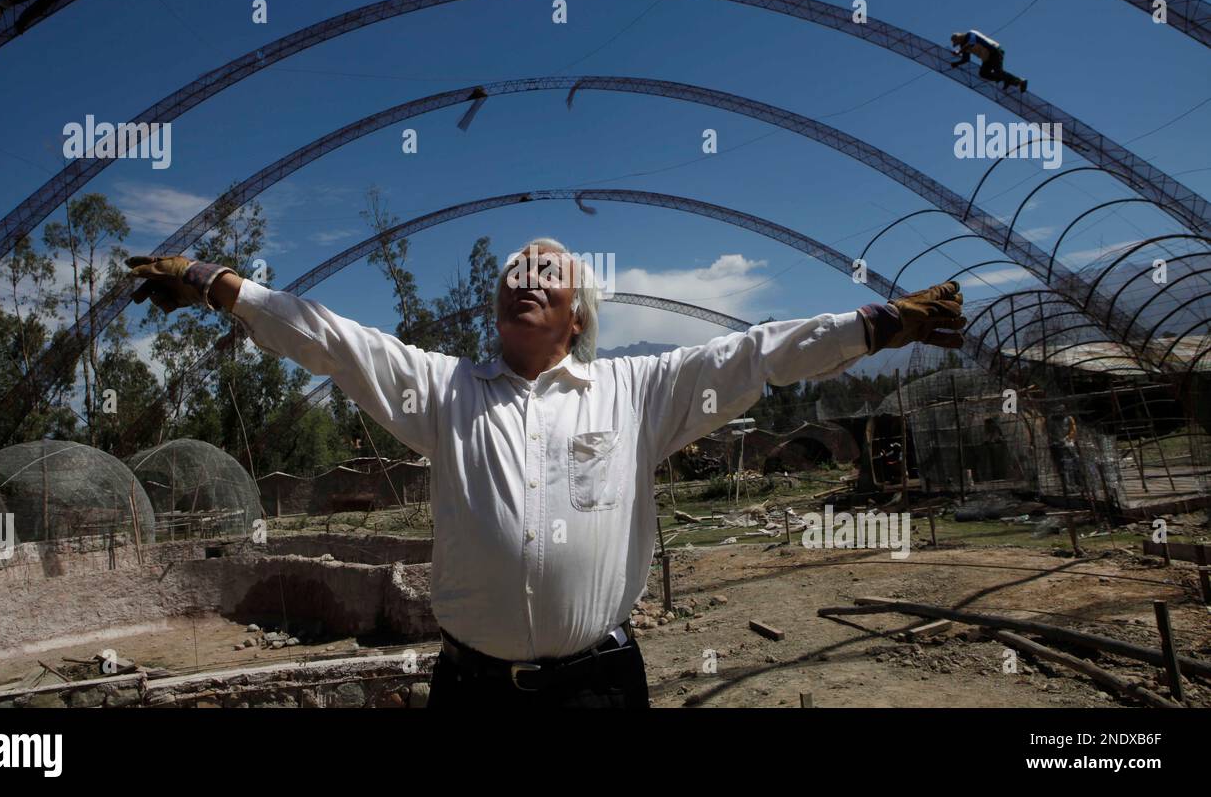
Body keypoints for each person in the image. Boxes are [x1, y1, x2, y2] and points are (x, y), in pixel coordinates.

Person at [127, 241, 965, 707]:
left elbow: (756, 355)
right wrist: (215, 283)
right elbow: (332, 339)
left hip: (596, 690)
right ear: (497, 311)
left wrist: (882, 322)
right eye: (513, 275)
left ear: (575, 317)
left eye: (547, 275)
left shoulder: (638, 392)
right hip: (473, 695)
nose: (525, 279)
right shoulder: (443, 392)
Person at [949, 29, 1027, 93]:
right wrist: (956, 64)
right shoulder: (963, 46)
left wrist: (959, 51)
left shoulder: (971, 34)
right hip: (987, 57)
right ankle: (1006, 79)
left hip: (994, 51)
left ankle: (1020, 81)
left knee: (998, 71)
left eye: (957, 42)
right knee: (983, 73)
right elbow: (966, 59)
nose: (958, 44)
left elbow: (972, 42)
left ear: (959, 38)